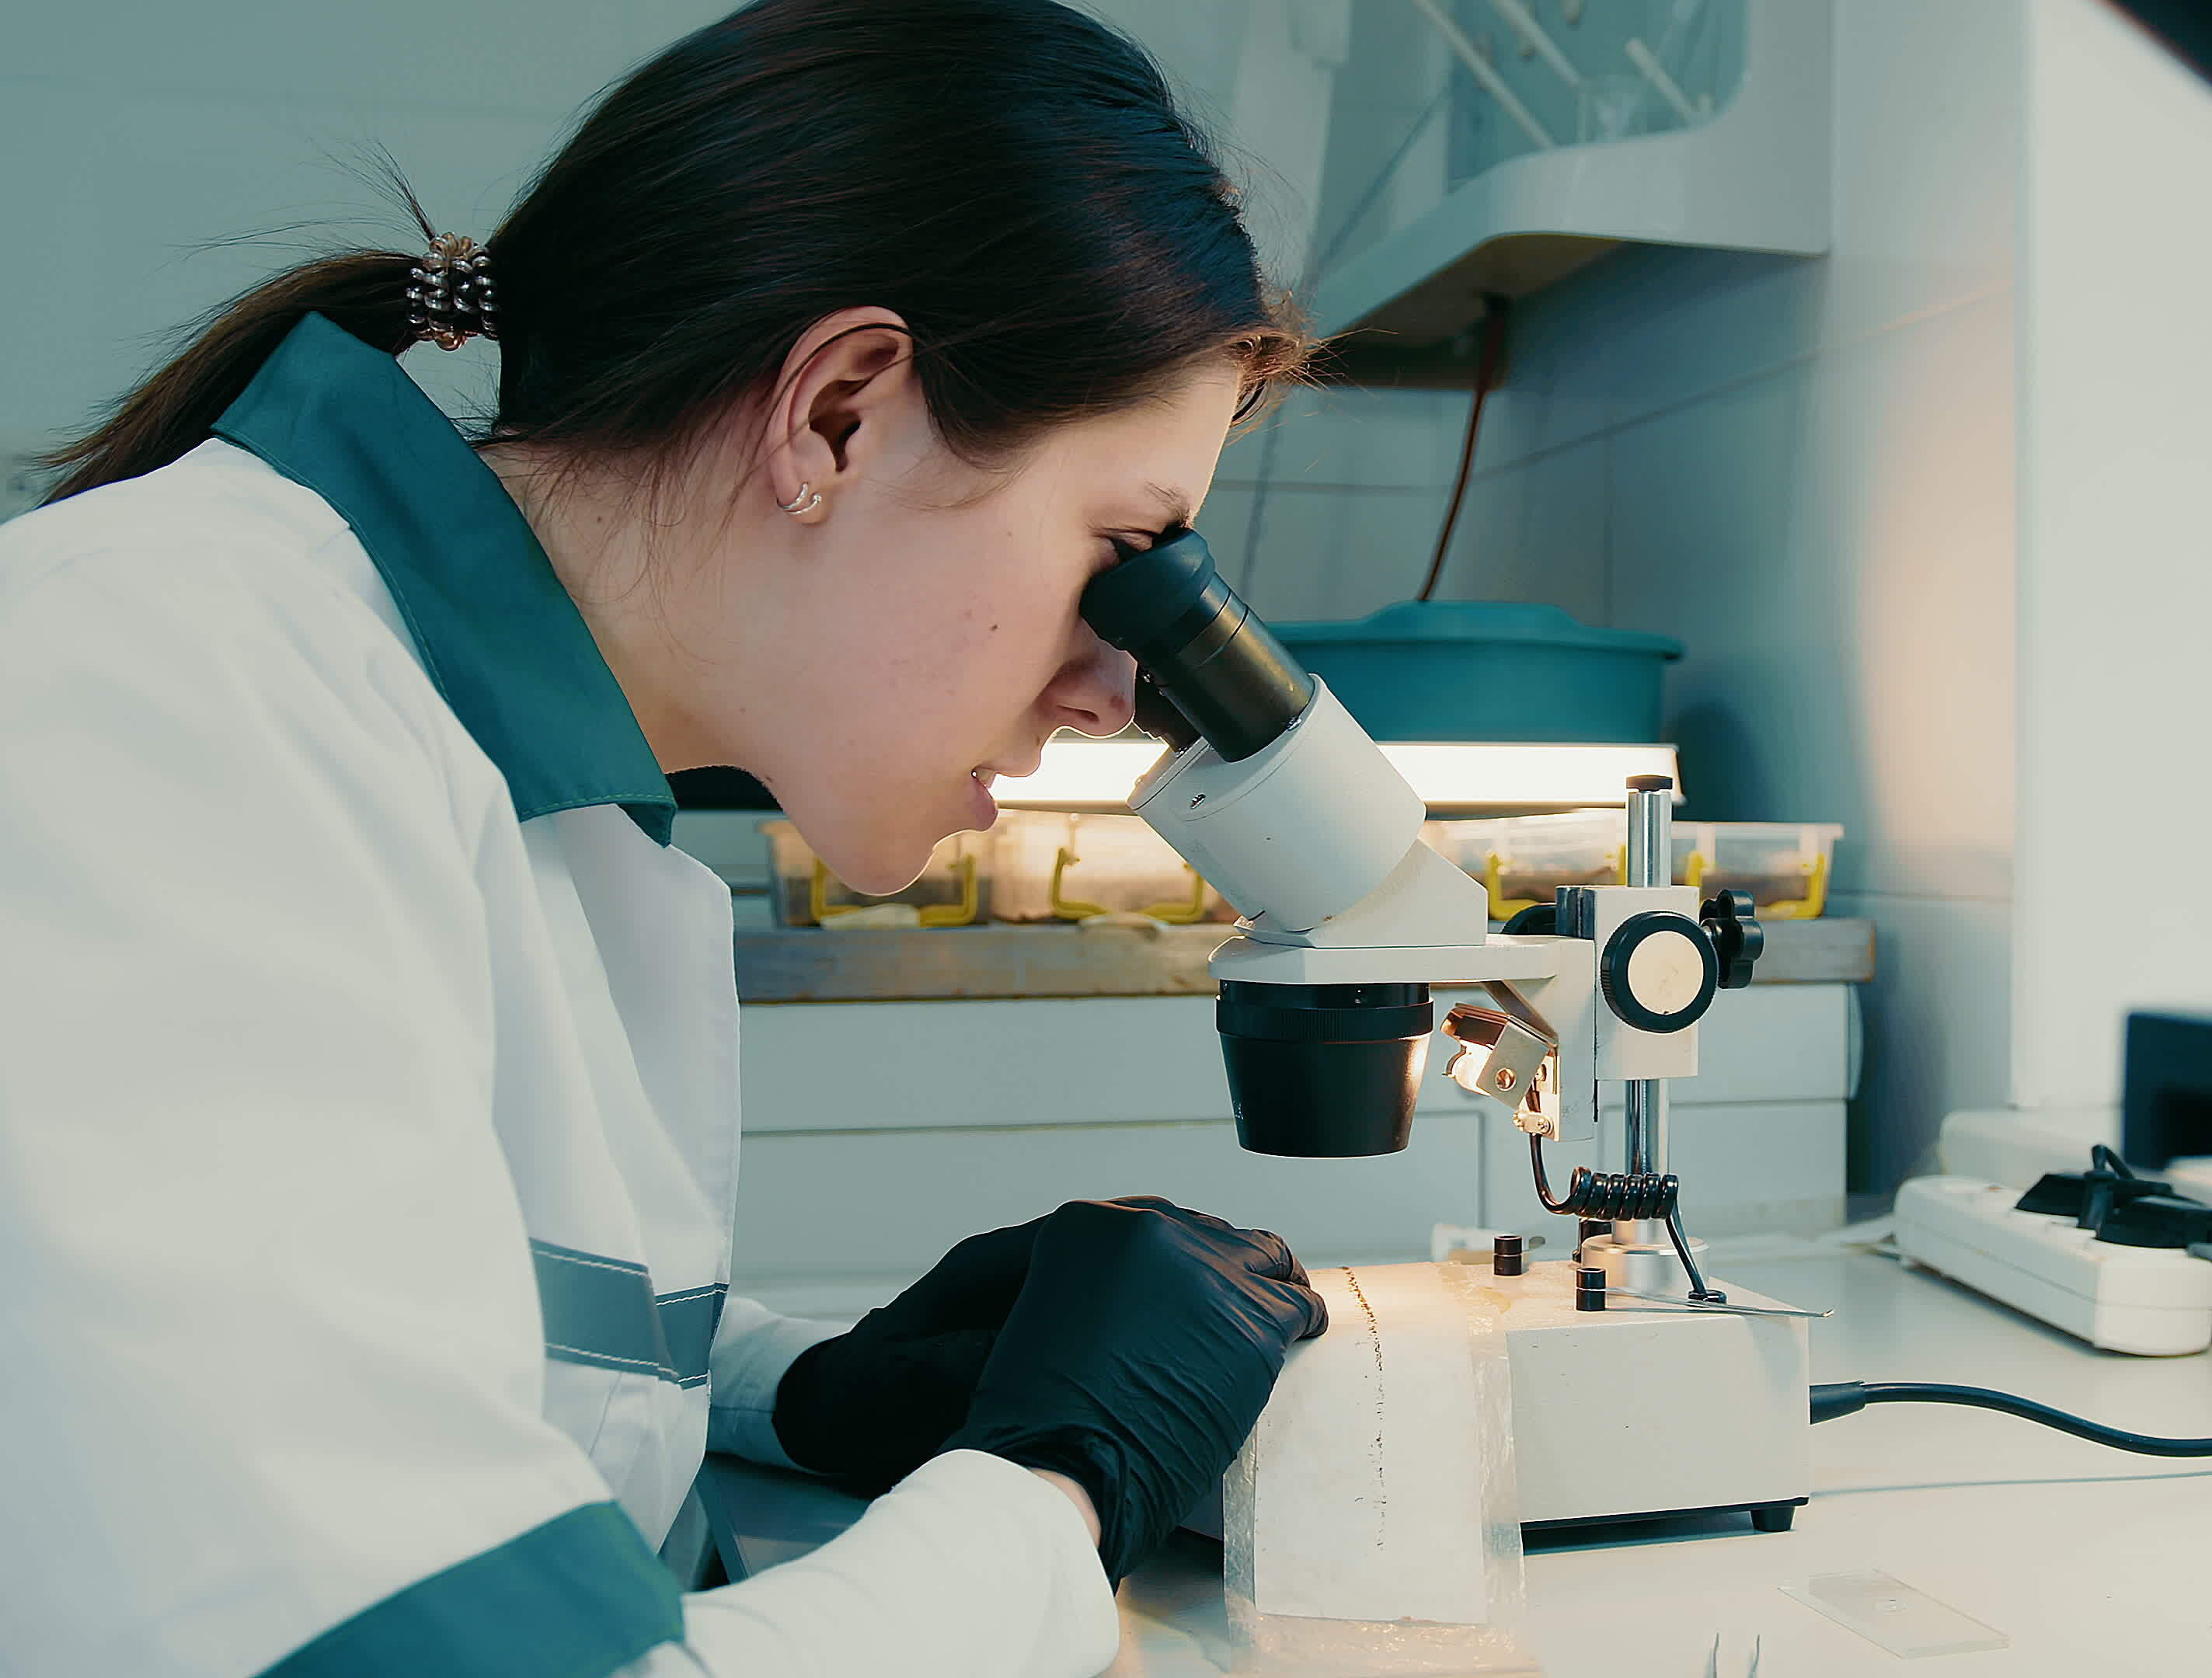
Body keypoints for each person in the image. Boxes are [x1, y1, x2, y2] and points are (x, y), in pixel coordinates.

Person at [0, 2, 1330, 1673]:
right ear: (839, 411)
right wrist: (1051, 1486)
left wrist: (809, 1392)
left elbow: (437, 1366)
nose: (1118, 687)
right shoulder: (166, 698)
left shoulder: (552, 820)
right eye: (1123, 548)